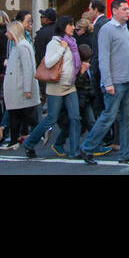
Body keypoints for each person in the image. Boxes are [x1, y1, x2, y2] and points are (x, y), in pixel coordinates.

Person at [80, 0, 129, 165]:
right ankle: (87, 148)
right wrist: (107, 82)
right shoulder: (107, 29)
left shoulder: (124, 28)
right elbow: (103, 57)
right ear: (114, 11)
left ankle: (127, 152)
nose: (127, 12)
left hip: (127, 79)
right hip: (115, 81)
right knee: (108, 116)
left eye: (127, 9)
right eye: (124, 9)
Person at [22, 15, 84, 160]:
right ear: (63, 27)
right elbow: (49, 63)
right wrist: (61, 49)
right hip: (56, 85)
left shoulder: (73, 42)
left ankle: (75, 150)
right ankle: (29, 143)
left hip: (70, 85)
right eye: (70, 25)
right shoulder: (55, 43)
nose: (73, 27)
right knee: (51, 118)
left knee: (75, 118)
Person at [0, 20, 37, 149]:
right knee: (18, 114)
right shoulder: (19, 45)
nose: (6, 34)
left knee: (19, 114)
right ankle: (14, 140)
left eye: (8, 31)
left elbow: (28, 68)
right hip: (17, 85)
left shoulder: (21, 46)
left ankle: (16, 140)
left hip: (18, 86)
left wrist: (27, 88)